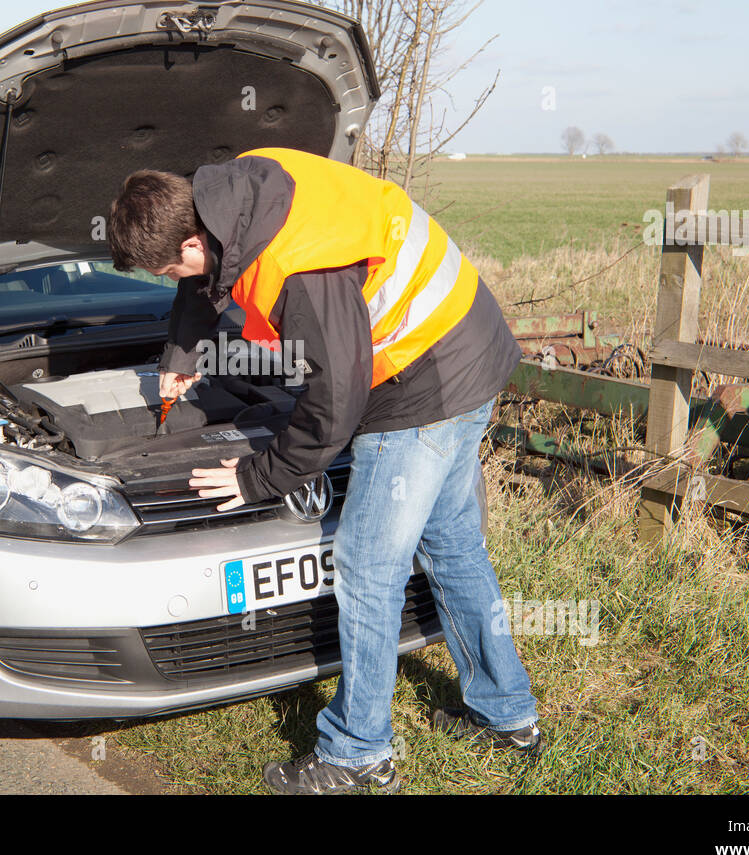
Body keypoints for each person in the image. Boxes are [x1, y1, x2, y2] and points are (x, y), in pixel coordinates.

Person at [106, 147, 540, 794]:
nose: (177, 276)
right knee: (451, 545)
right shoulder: (234, 190)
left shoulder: (300, 265)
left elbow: (334, 406)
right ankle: (508, 716)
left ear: (194, 240)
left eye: (170, 266)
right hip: (468, 343)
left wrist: (255, 477)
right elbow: (203, 283)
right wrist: (183, 351)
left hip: (426, 378)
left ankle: (359, 752)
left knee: (367, 566)